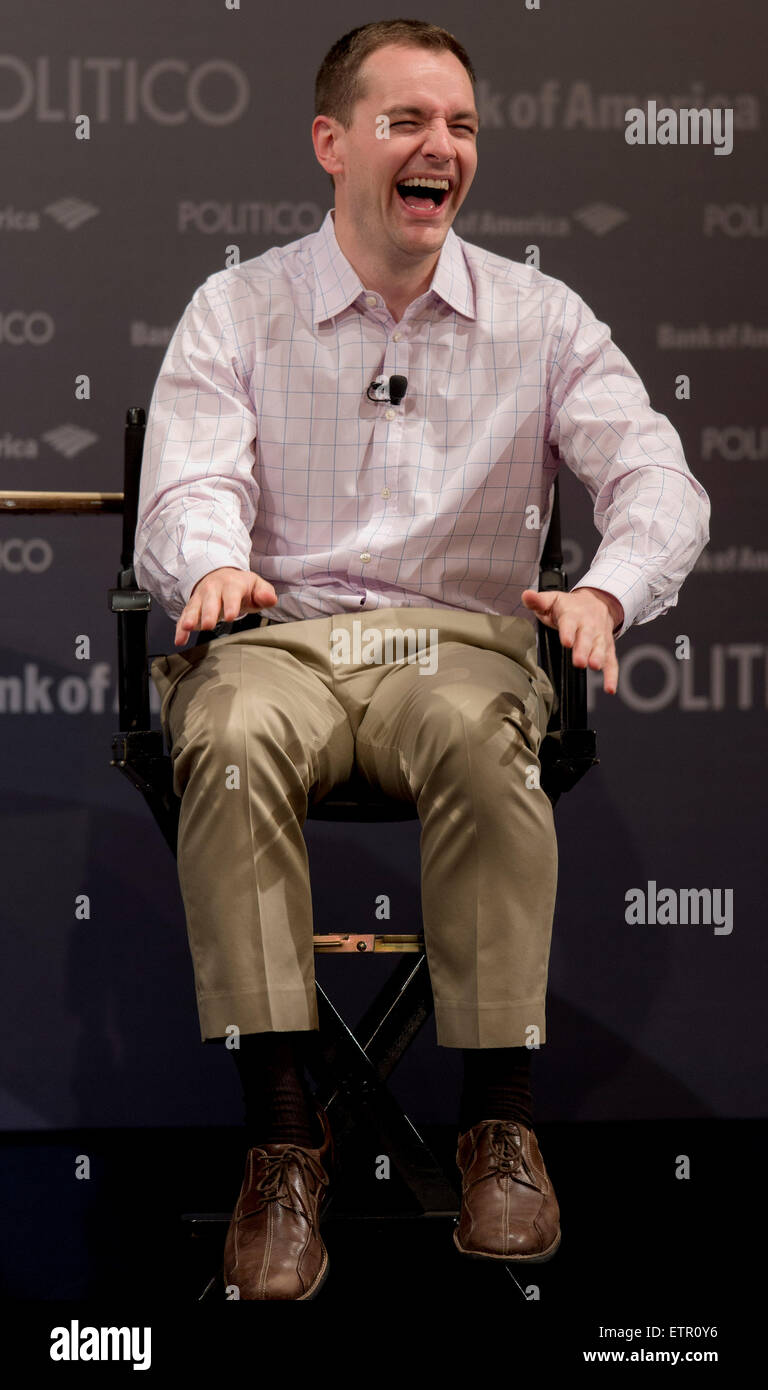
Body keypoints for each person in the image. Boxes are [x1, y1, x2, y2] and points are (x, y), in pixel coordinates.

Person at [133, 19, 710, 1301]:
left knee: (474, 729)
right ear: (334, 145)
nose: (439, 148)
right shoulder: (237, 307)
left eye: (459, 126)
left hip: (458, 645)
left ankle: (499, 1123)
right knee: (221, 739)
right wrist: (210, 563)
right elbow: (183, 492)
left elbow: (659, 478)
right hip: (277, 638)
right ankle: (284, 1139)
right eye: (406, 123)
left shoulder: (543, 317)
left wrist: (608, 588)